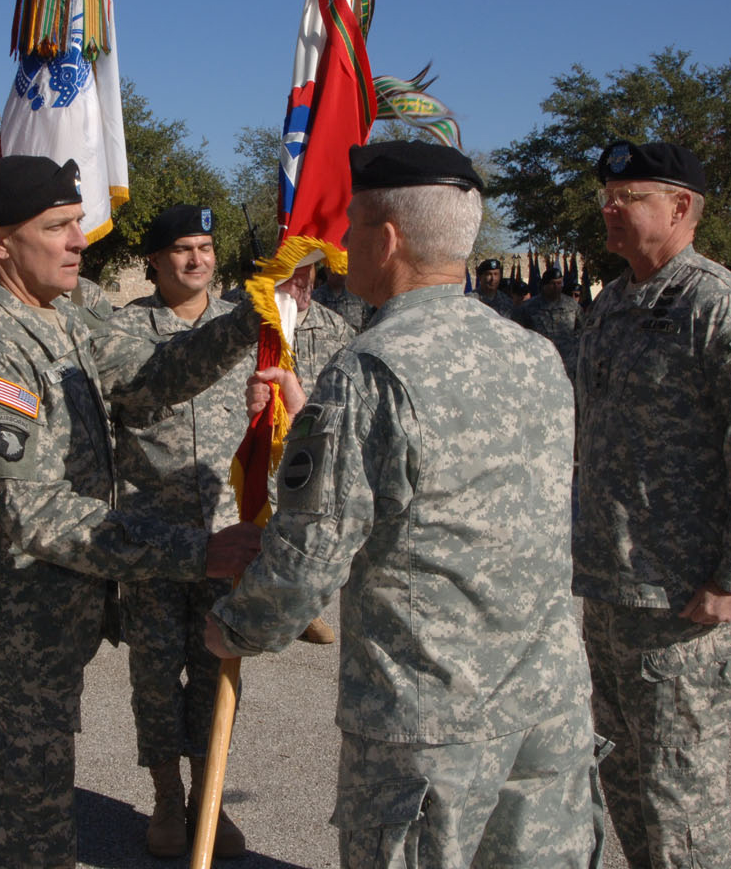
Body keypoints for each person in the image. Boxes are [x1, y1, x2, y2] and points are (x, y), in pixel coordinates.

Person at [207, 140, 601, 868]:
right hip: (545, 707)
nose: (340, 243)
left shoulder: (369, 371)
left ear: (386, 239)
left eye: (351, 225)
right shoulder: (533, 354)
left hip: (431, 722)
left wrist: (237, 627)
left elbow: (309, 557)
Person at [0, 156, 263, 868]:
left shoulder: (58, 319)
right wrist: (199, 551)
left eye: (77, 222)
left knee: (38, 819)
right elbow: (39, 516)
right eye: (58, 226)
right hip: (9, 630)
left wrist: (250, 319)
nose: (79, 240)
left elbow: (147, 377)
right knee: (20, 834)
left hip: (46, 624)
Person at [576, 140, 731, 869]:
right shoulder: (614, 303)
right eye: (607, 196)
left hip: (685, 599)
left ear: (680, 207)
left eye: (629, 196)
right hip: (614, 591)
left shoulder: (720, 304)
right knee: (625, 781)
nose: (611, 208)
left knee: (681, 799)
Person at [94, 204, 251, 858]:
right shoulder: (124, 332)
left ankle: (205, 795)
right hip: (151, 535)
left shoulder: (245, 327)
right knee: (156, 675)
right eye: (182, 248)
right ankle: (164, 798)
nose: (197, 259)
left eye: (206, 247)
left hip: (226, 532)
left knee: (217, 670)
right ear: (154, 261)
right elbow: (98, 438)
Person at [273, 260, 357, 646]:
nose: (302, 286)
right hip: (267, 436)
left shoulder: (336, 326)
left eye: (309, 278)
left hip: (312, 442)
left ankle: (305, 608)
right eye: (294, 277)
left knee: (308, 523)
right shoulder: (261, 317)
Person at [513, 265, 583, 381]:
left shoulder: (572, 306)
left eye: (559, 283)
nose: (556, 287)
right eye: (552, 284)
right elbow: (518, 334)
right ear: (544, 285)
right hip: (540, 364)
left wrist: (573, 346)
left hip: (568, 365)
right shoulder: (528, 308)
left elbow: (582, 329)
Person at [312, 265, 373, 331]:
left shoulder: (359, 295)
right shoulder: (315, 297)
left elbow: (369, 324)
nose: (339, 273)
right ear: (327, 270)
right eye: (335, 269)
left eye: (342, 268)